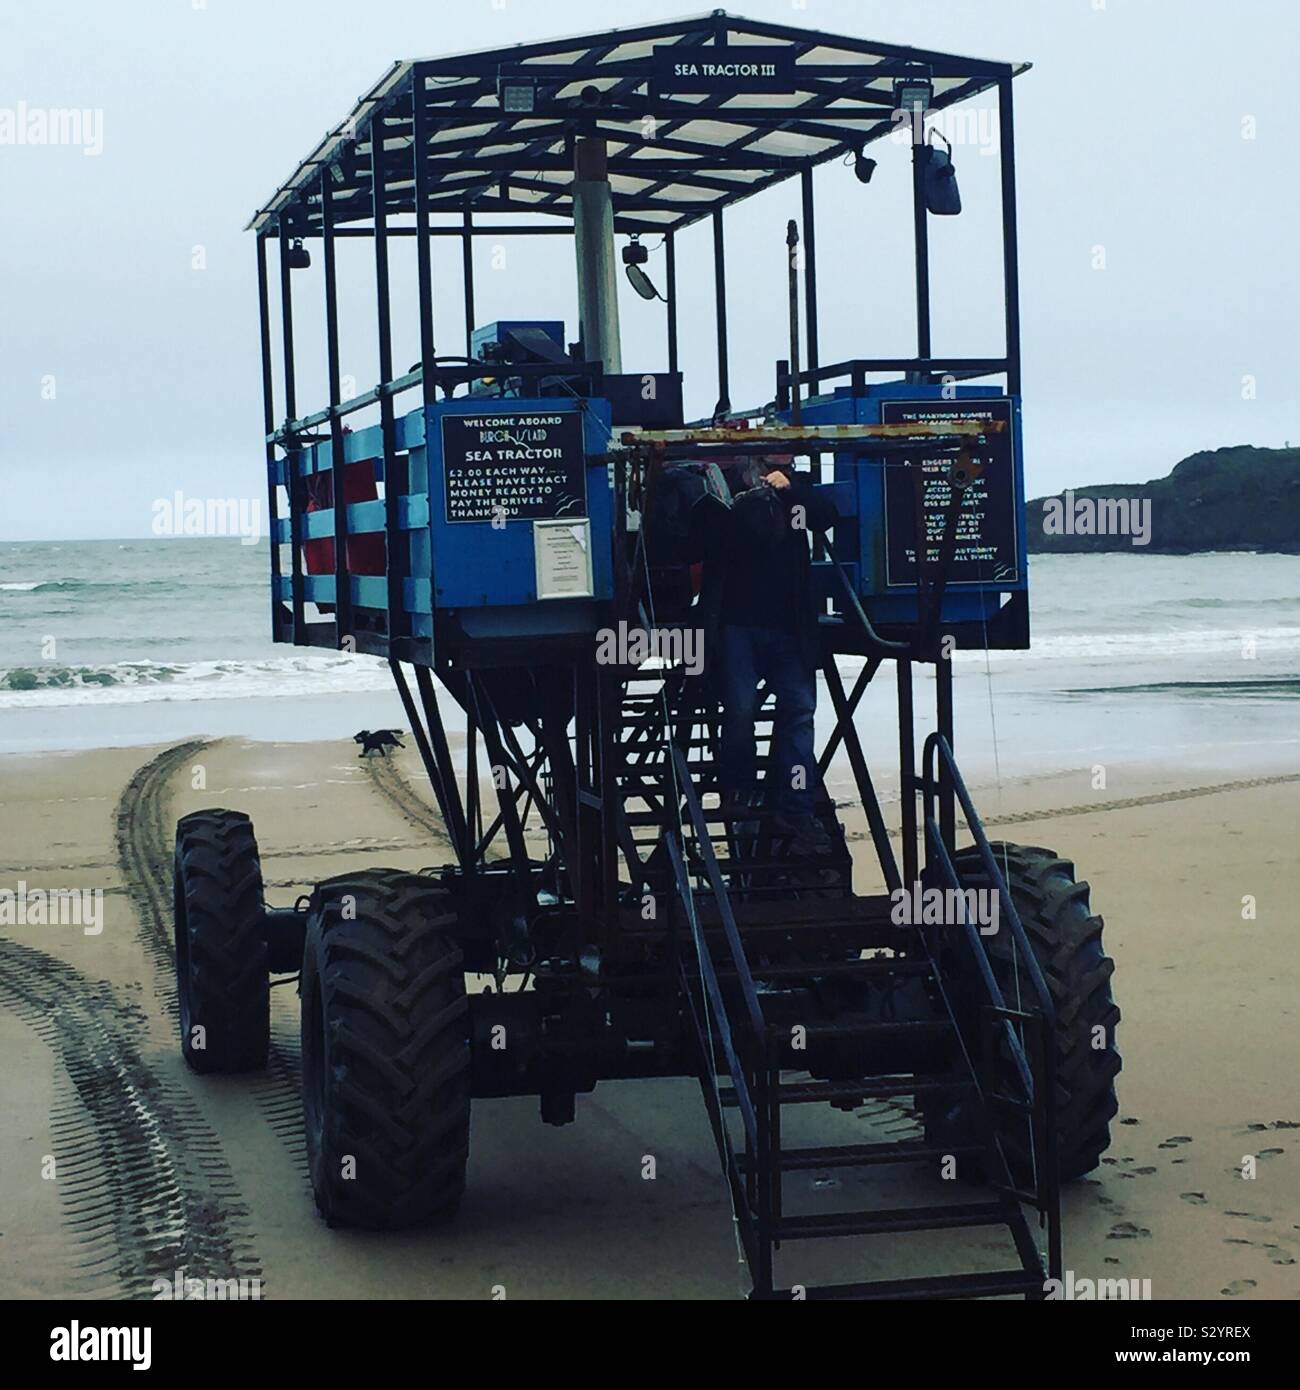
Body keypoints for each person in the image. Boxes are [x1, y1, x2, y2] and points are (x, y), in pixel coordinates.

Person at [697, 454, 837, 855]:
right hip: (739, 626)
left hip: (788, 629)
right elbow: (707, 537)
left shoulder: (798, 497)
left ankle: (795, 809)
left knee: (799, 714)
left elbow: (826, 515)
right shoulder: (724, 490)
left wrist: (790, 490)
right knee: (740, 712)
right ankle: (740, 788)